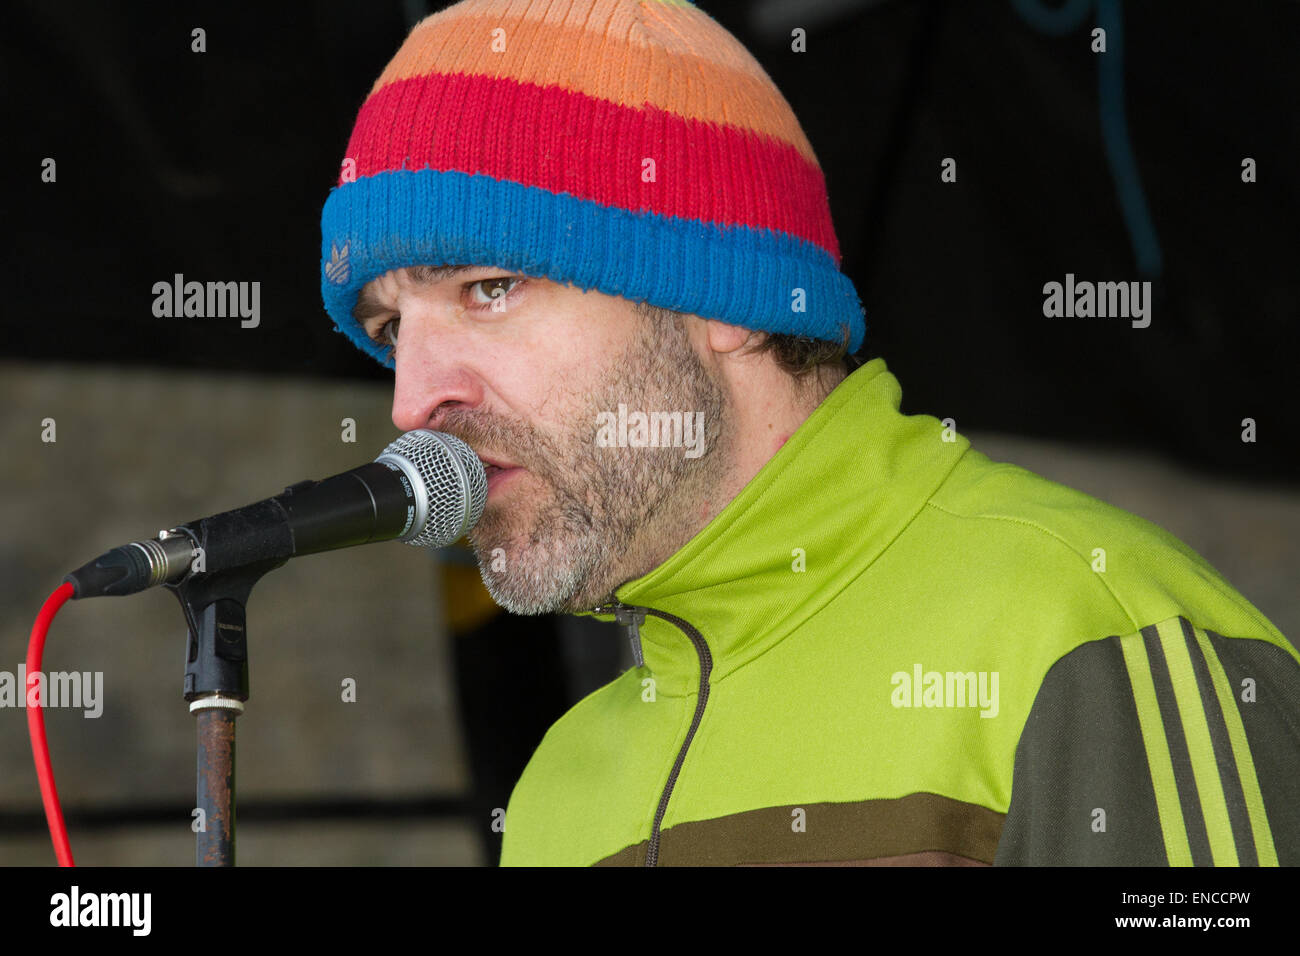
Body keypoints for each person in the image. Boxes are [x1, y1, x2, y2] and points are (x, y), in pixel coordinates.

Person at [319, 0, 1299, 866]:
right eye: (392, 329)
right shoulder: (557, 786)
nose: (412, 401)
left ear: (725, 294)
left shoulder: (1085, 638)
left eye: (488, 287)